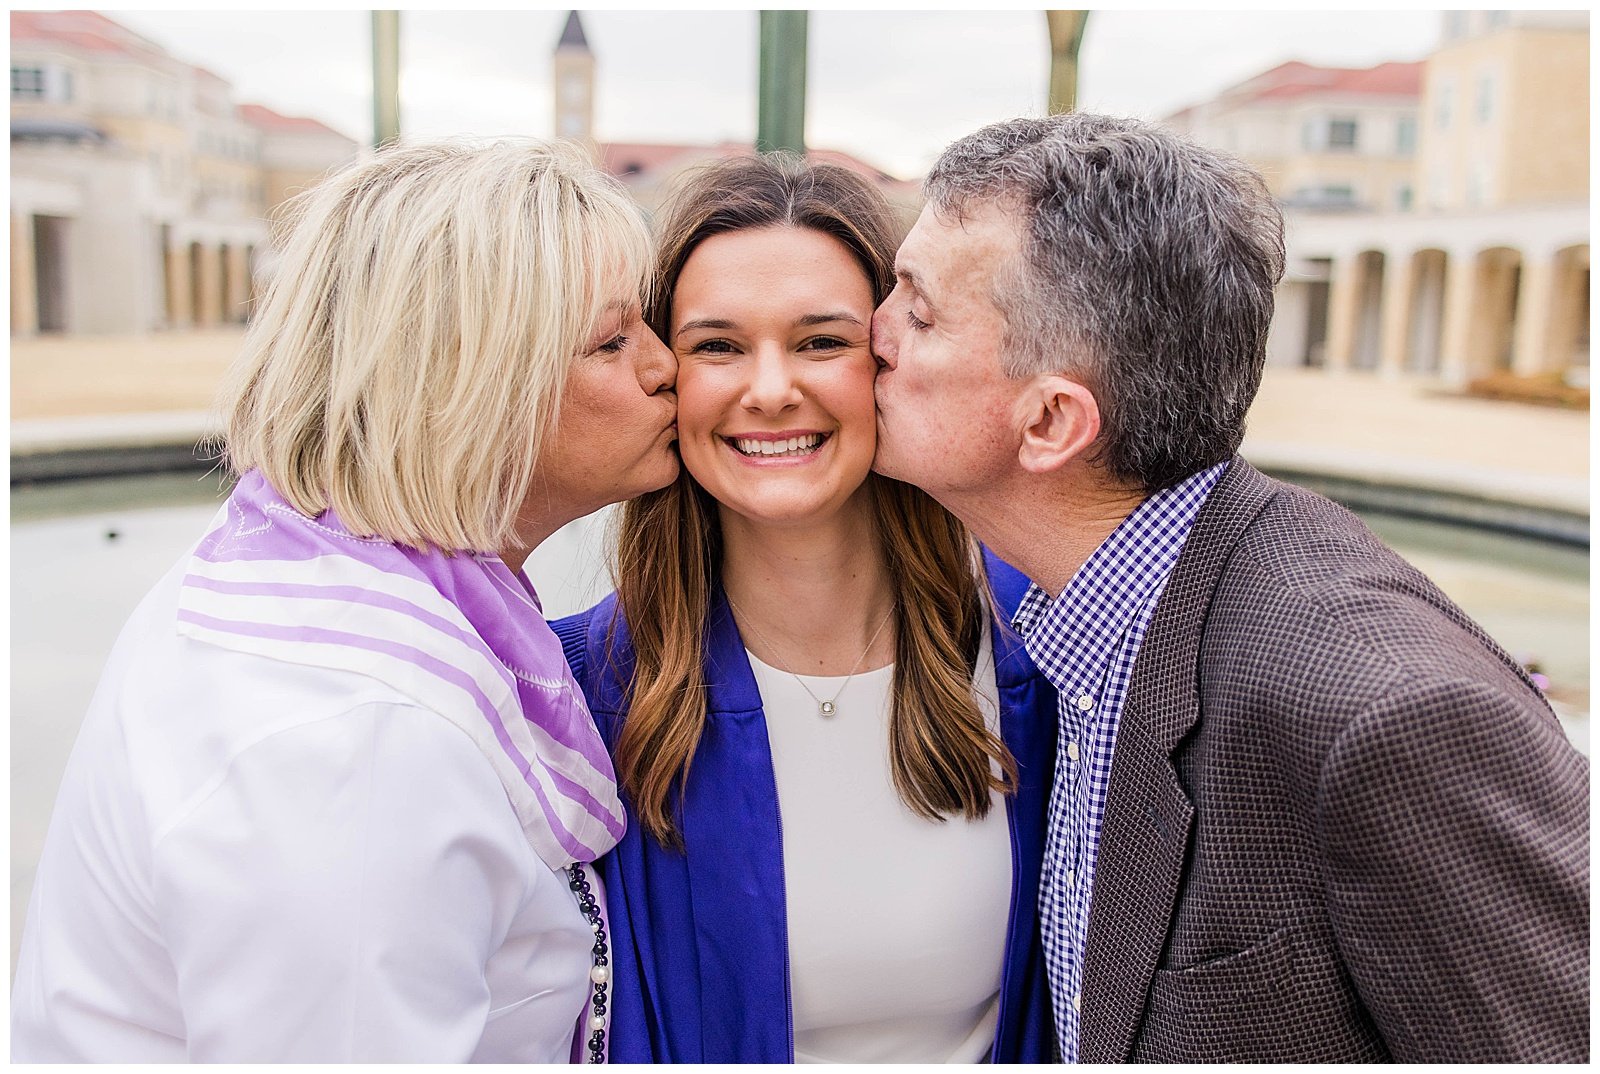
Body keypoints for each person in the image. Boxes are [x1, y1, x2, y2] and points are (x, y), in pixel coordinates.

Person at [868, 111, 1589, 1063]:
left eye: (917, 315)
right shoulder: (1084, 626)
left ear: (1049, 422)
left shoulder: (1381, 715)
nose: (869, 333)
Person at [11, 141, 680, 1062]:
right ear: (464, 383)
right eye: (613, 340)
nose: (665, 365)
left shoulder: (286, 566)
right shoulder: (359, 743)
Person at [552, 155, 1057, 1063]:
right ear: (667, 376)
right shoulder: (573, 698)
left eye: (822, 341)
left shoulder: (1049, 652)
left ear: (890, 356)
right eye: (718, 346)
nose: (771, 387)